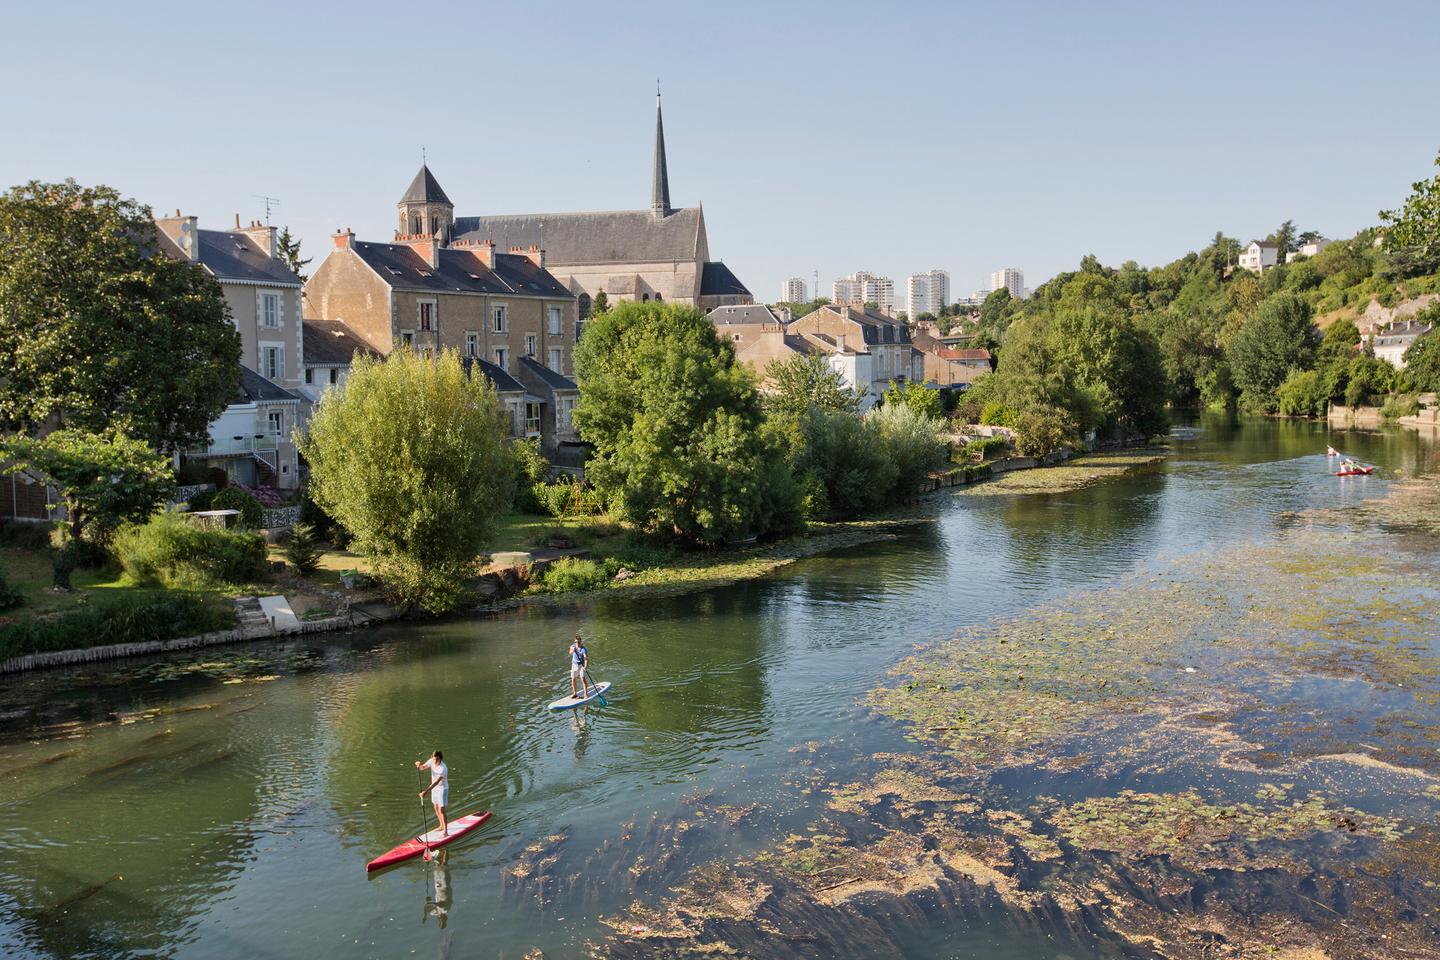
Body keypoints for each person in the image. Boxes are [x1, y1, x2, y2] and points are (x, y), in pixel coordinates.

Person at [416, 750, 448, 836]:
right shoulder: (431, 760)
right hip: (434, 789)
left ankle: (446, 831)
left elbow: (436, 782)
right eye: (433, 758)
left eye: (436, 759)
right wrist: (419, 765)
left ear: (440, 758)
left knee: (441, 809)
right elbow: (422, 768)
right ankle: (441, 825)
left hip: (442, 788)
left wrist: (425, 792)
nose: (434, 761)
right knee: (435, 807)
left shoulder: (443, 768)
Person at [569, 634, 592, 700]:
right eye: (576, 642)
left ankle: (585, 694)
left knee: (582, 679)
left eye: (578, 642)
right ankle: (574, 693)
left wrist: (585, 666)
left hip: (581, 665)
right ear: (574, 642)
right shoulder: (572, 646)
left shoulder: (583, 649)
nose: (577, 643)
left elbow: (585, 658)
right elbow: (570, 653)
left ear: (581, 641)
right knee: (573, 679)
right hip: (574, 665)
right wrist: (572, 650)